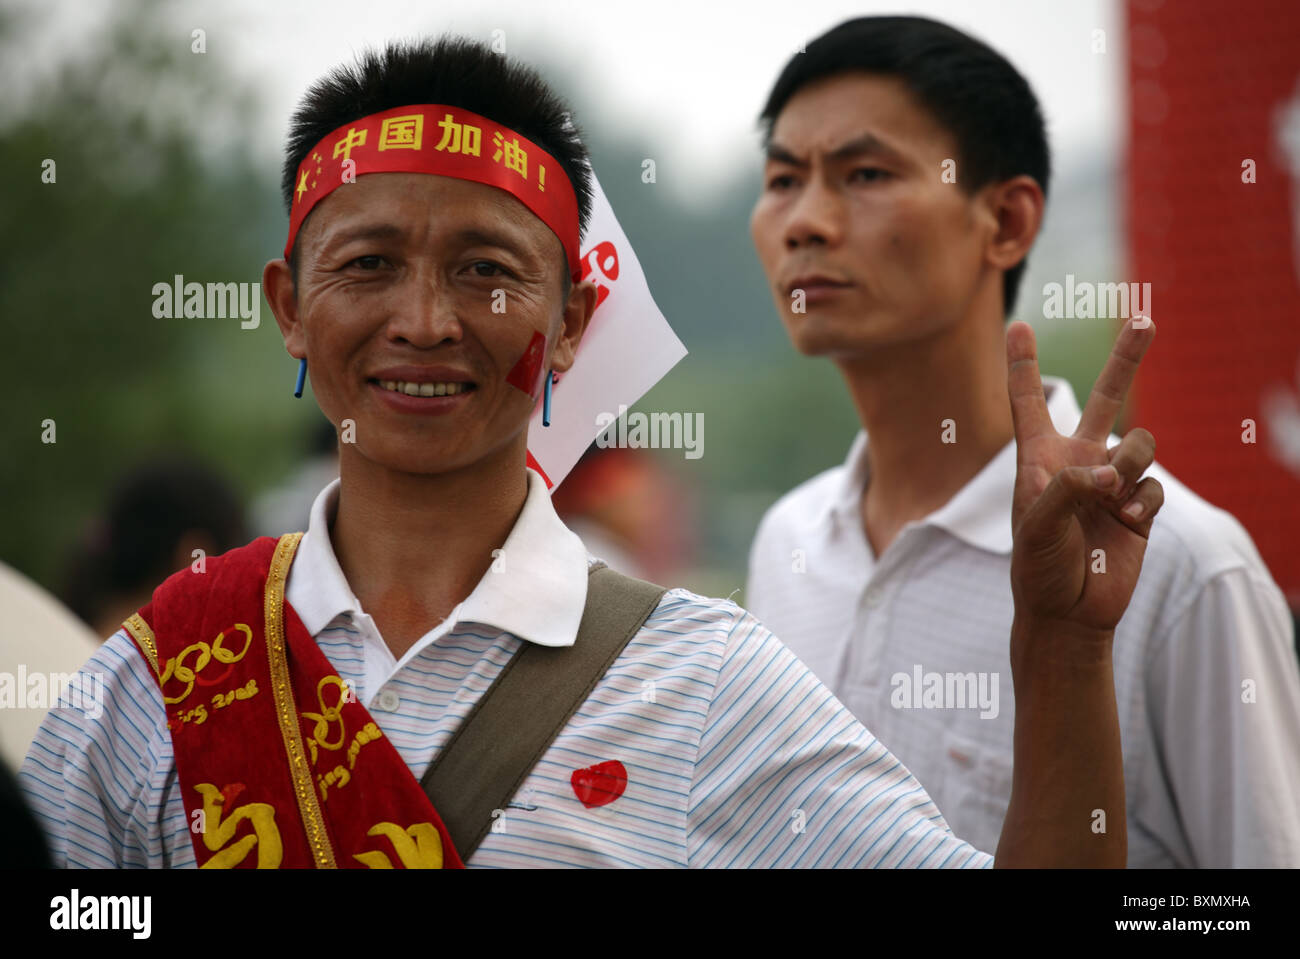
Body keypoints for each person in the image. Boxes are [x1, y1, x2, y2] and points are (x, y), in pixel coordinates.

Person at [21, 35, 1163, 869]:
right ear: (287, 306)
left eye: (486, 269)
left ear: (570, 317)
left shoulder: (706, 681)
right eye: (367, 264)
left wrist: (1061, 646)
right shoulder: (160, 675)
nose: (424, 321)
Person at [745, 16, 1300, 866]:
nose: (805, 222)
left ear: (1005, 220)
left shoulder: (1175, 560)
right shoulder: (789, 542)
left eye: (863, 173)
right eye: (783, 178)